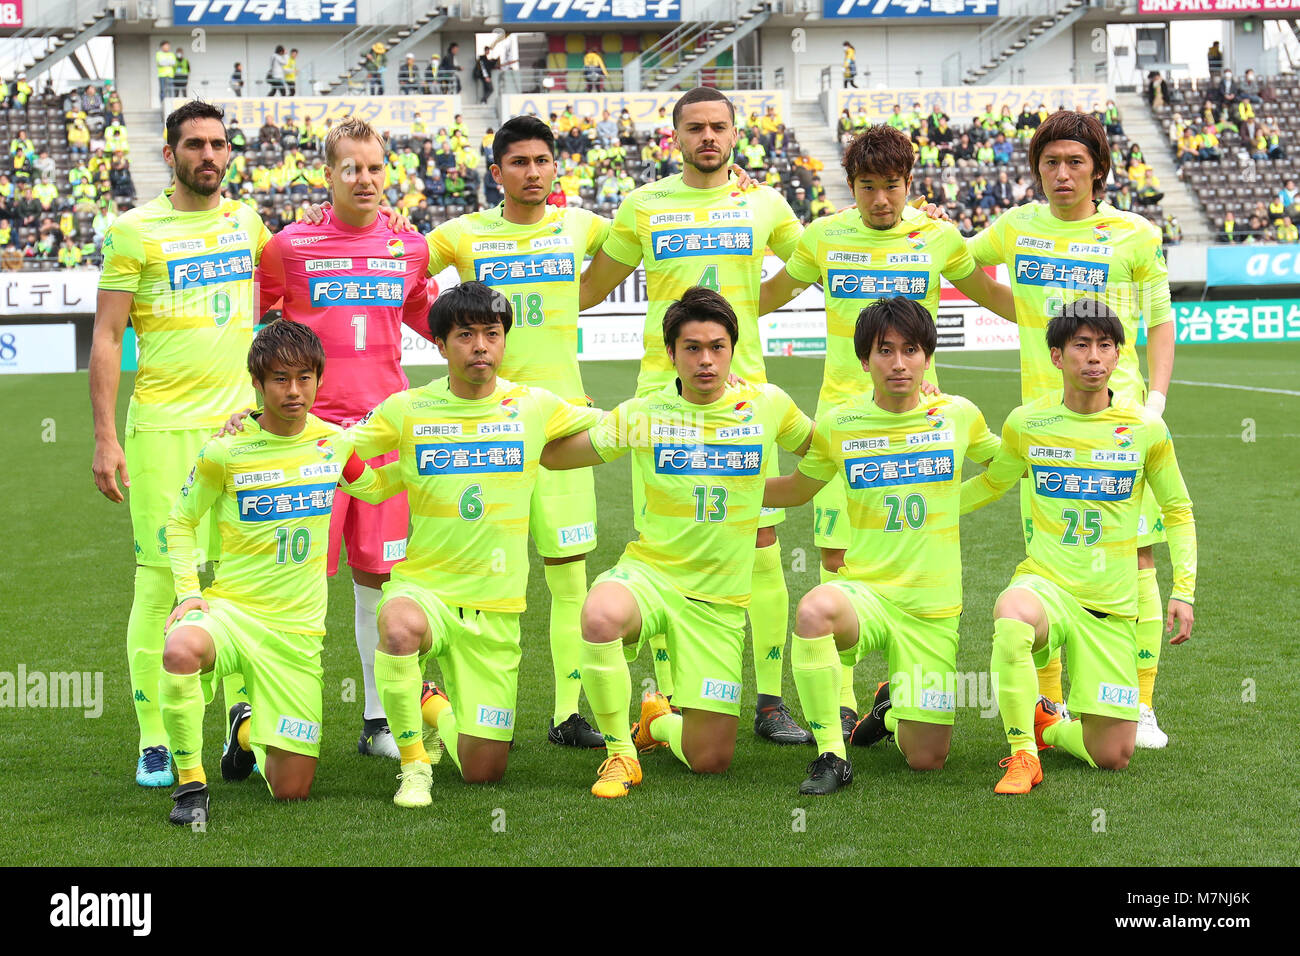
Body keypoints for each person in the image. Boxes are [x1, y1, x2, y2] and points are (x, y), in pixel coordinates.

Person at [760, 123, 1014, 735]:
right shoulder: (823, 237)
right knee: (836, 557)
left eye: (893, 186)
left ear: (910, 184)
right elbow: (764, 296)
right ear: (850, 186)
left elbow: (996, 296)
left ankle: (901, 691)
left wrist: (1070, 319)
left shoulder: (938, 236)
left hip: (918, 426)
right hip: (842, 426)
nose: (881, 200)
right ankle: (844, 704)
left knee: (913, 563)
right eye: (868, 187)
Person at [579, 87, 813, 745]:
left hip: (745, 401)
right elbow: (590, 287)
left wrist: (744, 315)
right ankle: (668, 701)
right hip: (661, 404)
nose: (707, 136)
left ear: (735, 134)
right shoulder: (644, 204)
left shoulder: (766, 203)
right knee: (668, 548)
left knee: (762, 543)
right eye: (695, 127)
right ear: (675, 136)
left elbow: (810, 262)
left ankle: (769, 701)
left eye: (718, 126)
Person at [541, 287, 815, 798]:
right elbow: (557, 456)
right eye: (692, 348)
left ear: (734, 348)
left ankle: (658, 723)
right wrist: (545, 415)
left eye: (717, 346)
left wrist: (900, 409)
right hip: (651, 575)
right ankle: (620, 756)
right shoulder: (645, 413)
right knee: (599, 615)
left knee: (710, 760)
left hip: (718, 604)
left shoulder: (768, 405)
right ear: (671, 353)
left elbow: (823, 451)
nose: (705, 360)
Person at [343, 281, 602, 805]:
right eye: (465, 335)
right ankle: (415, 766)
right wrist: (262, 422)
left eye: (491, 333)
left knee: (484, 771)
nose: (480, 345)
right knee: (397, 625)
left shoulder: (535, 406)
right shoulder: (408, 408)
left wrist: (687, 398)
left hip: (496, 610)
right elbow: (335, 444)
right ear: (440, 345)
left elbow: (615, 429)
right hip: (426, 591)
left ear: (505, 341)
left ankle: (431, 703)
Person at [968, 111, 1178, 748]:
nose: (1062, 174)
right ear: (1037, 168)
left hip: (1119, 420)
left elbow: (1161, 322)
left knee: (1138, 553)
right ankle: (1052, 704)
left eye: (1075, 163)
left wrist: (1158, 400)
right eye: (1051, 163)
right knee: (1050, 561)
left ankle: (1139, 706)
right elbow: (956, 266)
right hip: (1043, 422)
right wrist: (1025, 311)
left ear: (1098, 169)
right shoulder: (1015, 227)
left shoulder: (1134, 234)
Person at [91, 101, 271, 787]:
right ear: (170, 154)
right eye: (194, 144)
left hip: (238, 430)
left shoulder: (247, 222)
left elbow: (303, 264)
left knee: (241, 582)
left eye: (219, 144)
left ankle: (241, 721)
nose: (209, 155)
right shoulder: (133, 232)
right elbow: (108, 337)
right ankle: (157, 738)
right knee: (162, 580)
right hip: (162, 432)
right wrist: (106, 437)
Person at [421, 116, 612, 748]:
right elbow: (396, 266)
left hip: (559, 426)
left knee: (567, 576)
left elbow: (647, 244)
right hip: (483, 428)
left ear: (555, 166)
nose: (533, 172)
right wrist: (445, 340)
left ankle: (565, 713)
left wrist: (733, 181)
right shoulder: (463, 232)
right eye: (519, 162)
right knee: (462, 571)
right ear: (496, 171)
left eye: (542, 160)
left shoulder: (581, 225)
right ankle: (435, 690)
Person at [252, 117, 437, 760]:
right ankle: (261, 716)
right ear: (326, 176)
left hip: (383, 436)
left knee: (377, 582)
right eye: (351, 168)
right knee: (293, 582)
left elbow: (425, 311)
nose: (365, 179)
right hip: (309, 440)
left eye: (375, 168)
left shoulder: (409, 248)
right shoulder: (289, 247)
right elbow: (254, 318)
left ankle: (377, 721)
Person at [765, 297, 1000, 793]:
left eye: (910, 350)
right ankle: (832, 754)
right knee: (813, 611)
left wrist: (952, 503)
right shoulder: (840, 424)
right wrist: (728, 478)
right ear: (864, 360)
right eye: (884, 351)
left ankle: (890, 710)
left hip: (931, 609)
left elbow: (1005, 467)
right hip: (866, 595)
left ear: (927, 356)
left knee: (927, 759)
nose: (898, 363)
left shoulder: (958, 415)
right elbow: (797, 488)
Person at [960, 301, 1196, 794]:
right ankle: (1022, 752)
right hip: (1046, 584)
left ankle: (1051, 726)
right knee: (1012, 615)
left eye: (1105, 346)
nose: (1094, 357)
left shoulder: (1145, 430)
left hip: (1110, 604)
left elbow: (1177, 510)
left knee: (1113, 755)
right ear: (1056, 356)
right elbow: (992, 483)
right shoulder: (1028, 423)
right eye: (1081, 346)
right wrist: (932, 503)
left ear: (1117, 355)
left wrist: (1185, 590)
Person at [158, 321, 388, 824]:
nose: (294, 390)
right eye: (280, 379)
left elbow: (375, 488)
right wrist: (189, 593)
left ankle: (244, 731)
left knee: (292, 790)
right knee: (180, 648)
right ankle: (191, 785)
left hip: (297, 633)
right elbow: (179, 521)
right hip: (233, 613)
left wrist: (433, 453)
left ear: (318, 380)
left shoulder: (335, 443)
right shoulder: (226, 449)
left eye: (305, 377)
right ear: (257, 385)